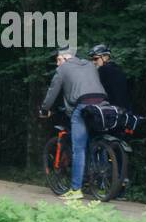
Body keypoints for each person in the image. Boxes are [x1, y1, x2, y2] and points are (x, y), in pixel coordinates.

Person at [38, 47, 107, 201]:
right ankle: (104, 182)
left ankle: (76, 189)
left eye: (58, 60)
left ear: (65, 58)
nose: (57, 64)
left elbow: (52, 92)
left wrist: (44, 109)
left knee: (79, 148)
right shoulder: (89, 65)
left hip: (82, 105)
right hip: (101, 104)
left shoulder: (63, 69)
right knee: (96, 140)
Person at [90, 44, 131, 111]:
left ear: (105, 57)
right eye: (92, 59)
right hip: (125, 109)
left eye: (95, 59)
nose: (93, 62)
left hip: (111, 110)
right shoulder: (118, 69)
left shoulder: (103, 70)